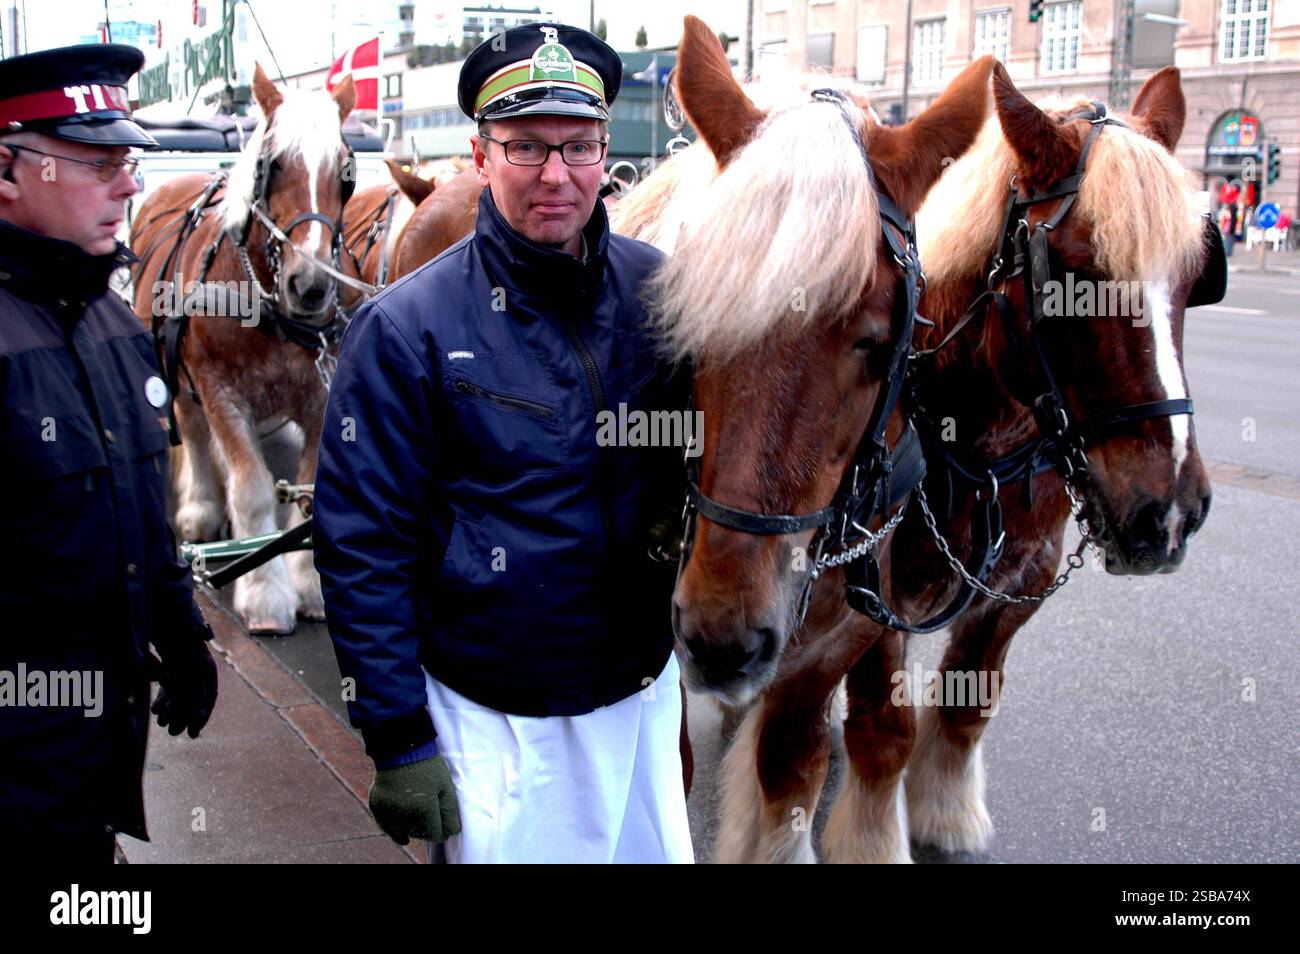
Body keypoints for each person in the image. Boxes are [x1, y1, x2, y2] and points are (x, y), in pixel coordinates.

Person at [314, 23, 693, 863]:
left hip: (637, 698)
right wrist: (398, 738)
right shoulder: (404, 327)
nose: (555, 175)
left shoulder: (664, 293)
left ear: (606, 155)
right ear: (481, 157)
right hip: (495, 723)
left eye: (578, 145)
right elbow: (360, 548)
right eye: (526, 146)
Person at [0, 44, 218, 863]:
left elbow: (142, 515)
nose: (129, 184)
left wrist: (181, 631)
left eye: (127, 161)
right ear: (8, 169)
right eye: (98, 163)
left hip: (88, 778)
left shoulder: (117, 328)